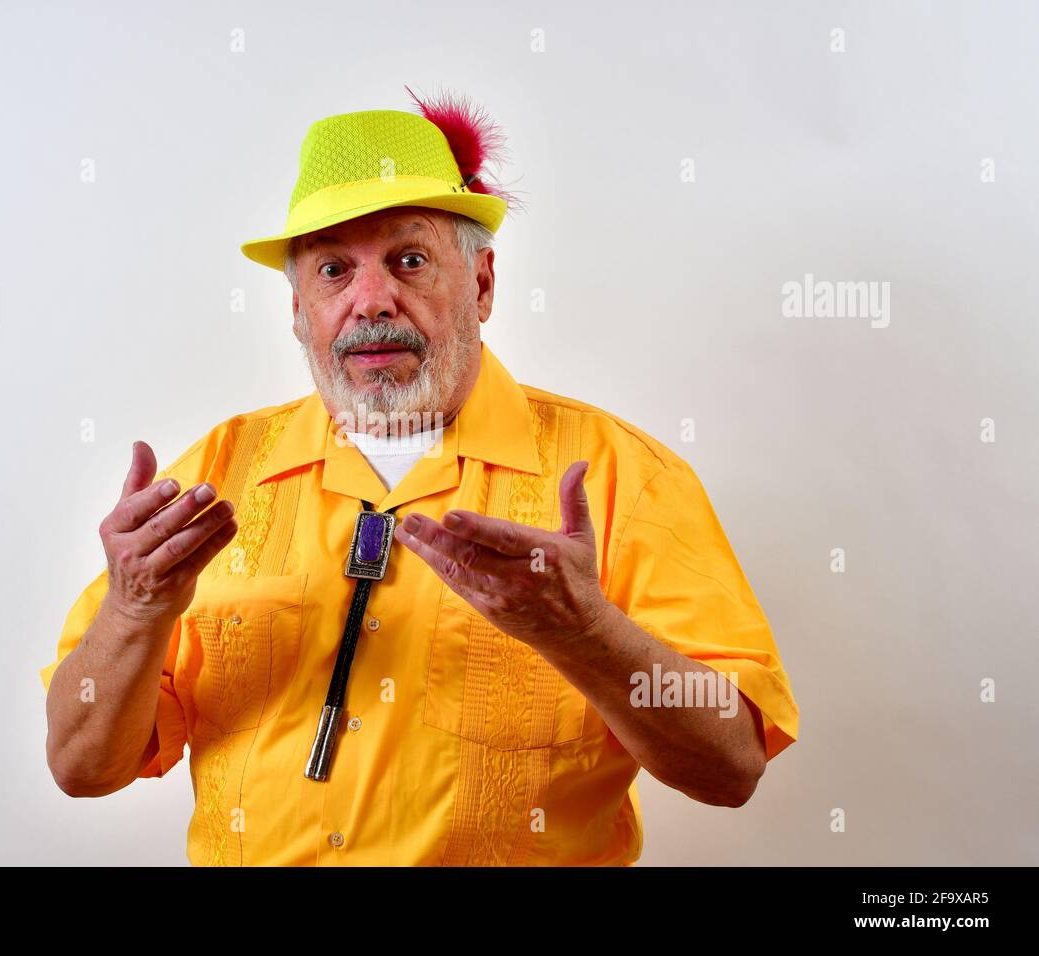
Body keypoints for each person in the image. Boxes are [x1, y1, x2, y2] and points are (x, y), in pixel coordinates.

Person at [39, 90, 799, 866]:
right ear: (299, 310)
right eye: (335, 269)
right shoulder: (207, 481)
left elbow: (730, 764)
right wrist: (134, 611)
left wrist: (587, 634)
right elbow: (80, 767)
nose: (372, 301)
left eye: (409, 260)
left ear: (481, 284)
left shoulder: (619, 476)